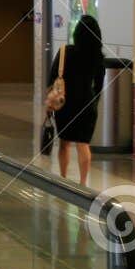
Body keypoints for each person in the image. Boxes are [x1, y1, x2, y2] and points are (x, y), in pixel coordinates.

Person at [50, 14, 106, 185]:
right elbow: (98, 85)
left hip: (65, 104)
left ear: (77, 34)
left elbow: (52, 78)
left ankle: (64, 178)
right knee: (83, 145)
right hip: (87, 106)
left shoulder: (64, 52)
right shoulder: (98, 57)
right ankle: (83, 183)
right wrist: (93, 103)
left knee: (64, 143)